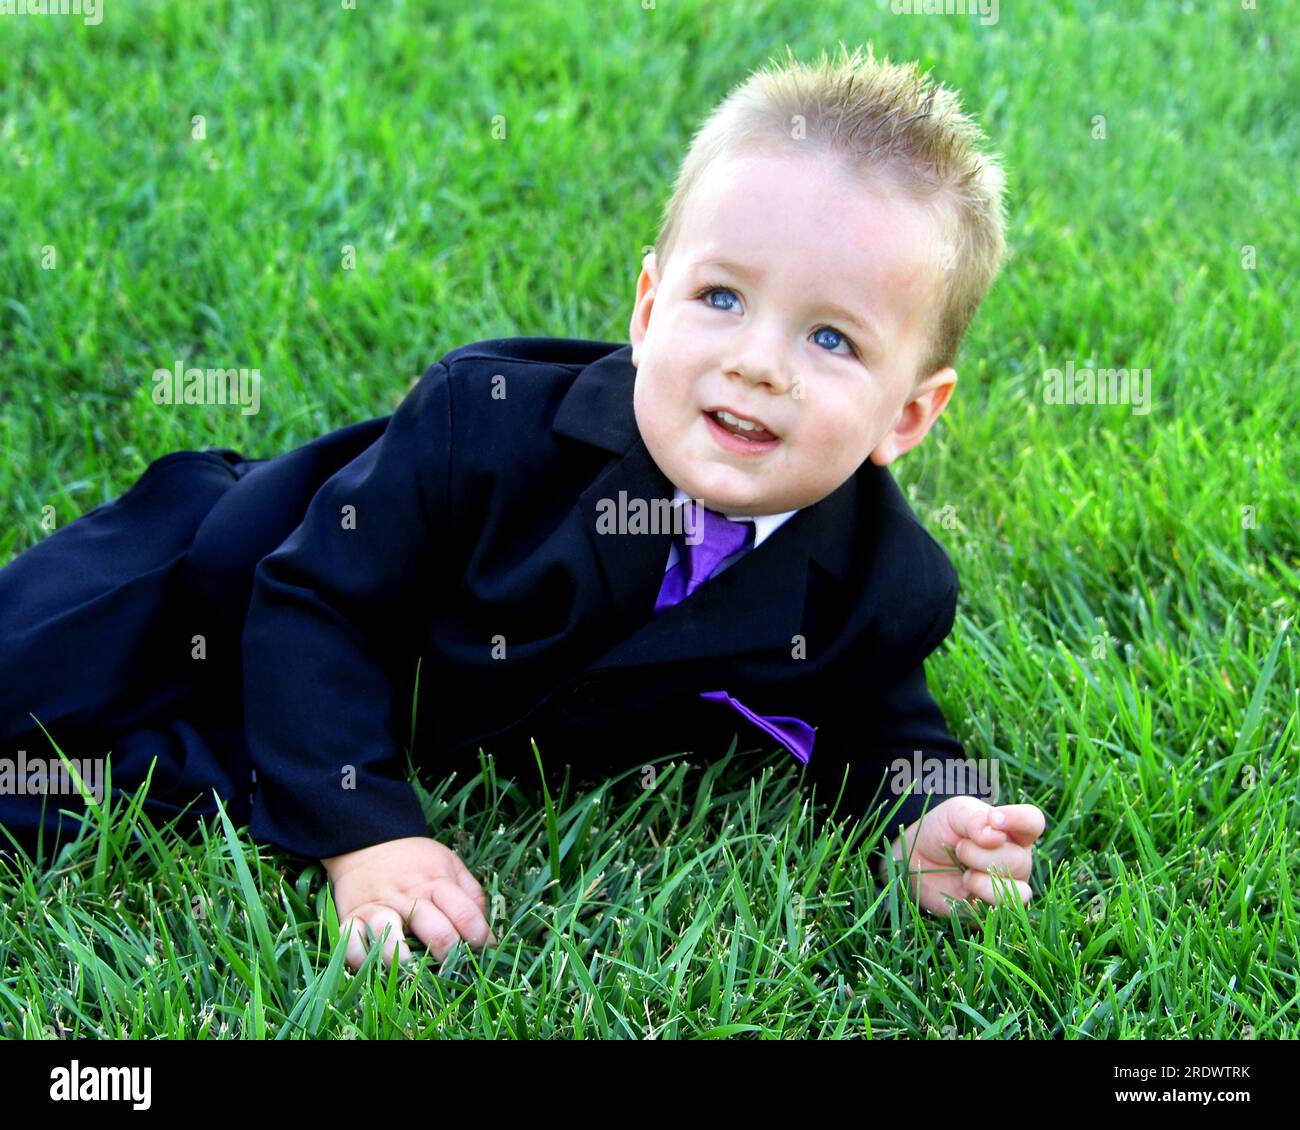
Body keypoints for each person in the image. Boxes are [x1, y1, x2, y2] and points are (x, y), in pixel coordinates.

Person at [0, 43, 1045, 971]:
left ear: (908, 414)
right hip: (232, 575)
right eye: (720, 297)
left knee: (143, 791)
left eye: (830, 339)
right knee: (34, 688)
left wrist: (924, 813)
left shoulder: (878, 576)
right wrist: (365, 834)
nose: (756, 361)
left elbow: (871, 713)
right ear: (647, 306)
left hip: (399, 715)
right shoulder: (487, 424)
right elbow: (320, 600)